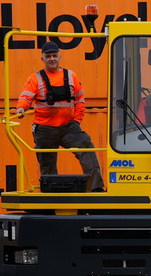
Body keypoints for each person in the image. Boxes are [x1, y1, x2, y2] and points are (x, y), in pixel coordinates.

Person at [14, 41, 104, 191]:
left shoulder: (71, 76)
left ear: (60, 57)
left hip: (69, 127)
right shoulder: (35, 79)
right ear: (42, 58)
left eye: (54, 55)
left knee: (86, 147)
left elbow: (80, 101)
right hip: (45, 129)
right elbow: (25, 97)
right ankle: (51, 192)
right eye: (48, 56)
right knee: (47, 163)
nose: (52, 59)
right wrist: (20, 109)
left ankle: (96, 188)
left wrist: (76, 121)